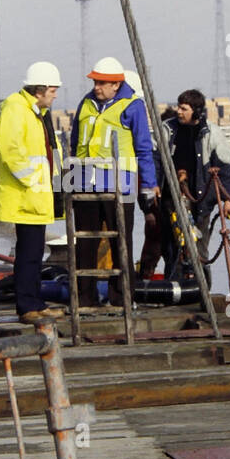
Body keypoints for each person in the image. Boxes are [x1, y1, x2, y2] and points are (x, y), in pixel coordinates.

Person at [69, 57, 157, 306]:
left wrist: (148, 185)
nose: (97, 86)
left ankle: (122, 298)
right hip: (84, 181)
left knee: (122, 241)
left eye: (102, 82)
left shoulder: (133, 106)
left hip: (120, 183)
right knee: (86, 242)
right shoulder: (85, 103)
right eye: (95, 81)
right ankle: (84, 298)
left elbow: (143, 148)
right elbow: (76, 142)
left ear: (116, 85)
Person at [0, 61, 65, 323]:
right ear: (41, 88)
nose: (55, 95)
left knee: (34, 253)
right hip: (25, 197)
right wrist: (33, 180)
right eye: (53, 90)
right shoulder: (16, 108)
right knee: (28, 254)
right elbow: (9, 147)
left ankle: (35, 302)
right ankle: (27, 307)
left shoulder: (34, 112)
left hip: (35, 198)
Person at [157, 88, 230, 282]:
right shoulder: (168, 129)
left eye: (184, 108)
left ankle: (201, 289)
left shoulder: (212, 133)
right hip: (171, 200)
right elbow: (155, 159)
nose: (178, 111)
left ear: (196, 111)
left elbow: (225, 169)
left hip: (201, 201)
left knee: (199, 248)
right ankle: (174, 287)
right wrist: (154, 184)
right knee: (173, 247)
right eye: (178, 107)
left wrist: (227, 200)